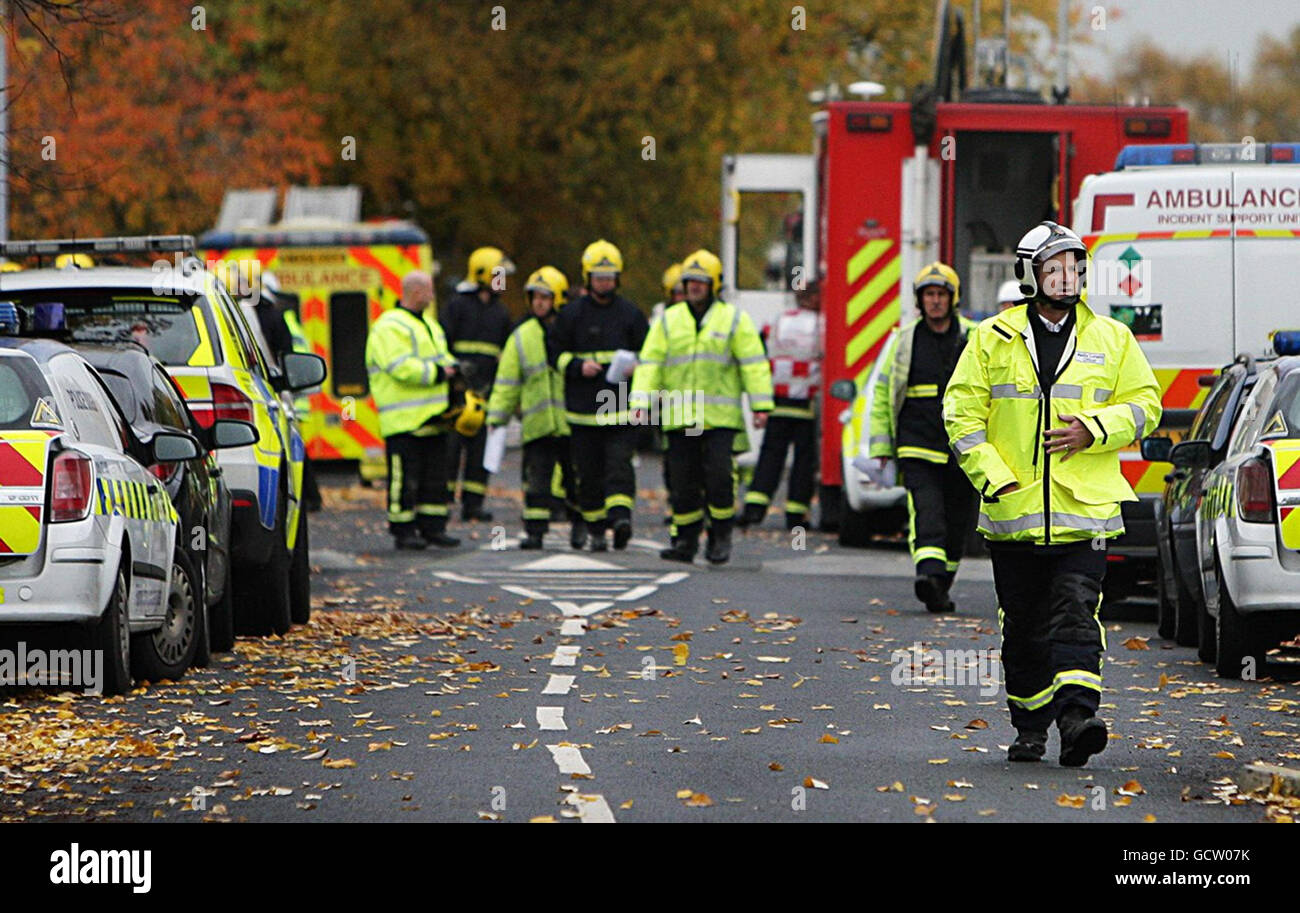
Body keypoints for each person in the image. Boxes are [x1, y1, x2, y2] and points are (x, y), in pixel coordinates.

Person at [944, 221, 1162, 767]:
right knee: (1023, 630)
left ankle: (1077, 719)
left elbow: (1145, 405)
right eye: (1054, 268)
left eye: (1074, 268)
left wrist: (1095, 428)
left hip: (1084, 515)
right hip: (1013, 515)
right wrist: (994, 477)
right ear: (1029, 275)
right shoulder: (990, 338)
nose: (1067, 278)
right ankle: (1030, 728)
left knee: (1075, 614)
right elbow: (961, 414)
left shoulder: (1112, 338)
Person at [632, 249, 773, 565]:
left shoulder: (734, 319)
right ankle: (685, 541)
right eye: (690, 281)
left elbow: (753, 364)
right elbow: (650, 364)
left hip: (719, 419)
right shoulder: (668, 321)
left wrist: (760, 404)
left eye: (701, 281)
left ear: (715, 285)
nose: (694, 286)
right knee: (682, 482)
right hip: (680, 417)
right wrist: (640, 401)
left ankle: (720, 536)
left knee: (720, 479)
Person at [869, 263, 977, 612]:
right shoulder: (903, 340)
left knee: (958, 521)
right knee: (927, 511)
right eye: (929, 295)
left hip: (963, 447)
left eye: (941, 295)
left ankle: (940, 585)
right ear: (920, 300)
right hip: (916, 442)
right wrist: (881, 446)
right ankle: (927, 573)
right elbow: (883, 393)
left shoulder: (975, 338)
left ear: (952, 299)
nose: (934, 302)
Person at [547, 239, 648, 551]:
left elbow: (649, 354)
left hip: (617, 406)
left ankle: (620, 519)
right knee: (587, 475)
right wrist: (577, 366)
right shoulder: (571, 314)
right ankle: (595, 529)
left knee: (619, 466)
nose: (605, 282)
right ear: (588, 278)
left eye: (609, 276)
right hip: (582, 409)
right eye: (599, 276)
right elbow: (554, 354)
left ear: (617, 278)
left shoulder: (631, 314)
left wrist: (637, 367)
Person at [365, 270, 461, 550]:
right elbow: (400, 367)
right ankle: (403, 530)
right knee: (404, 479)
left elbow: (442, 356)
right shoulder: (389, 326)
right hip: (403, 420)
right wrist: (439, 372)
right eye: (429, 290)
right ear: (416, 291)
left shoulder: (429, 325)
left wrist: (457, 368)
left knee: (435, 478)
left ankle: (434, 528)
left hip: (434, 417)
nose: (432, 296)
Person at [487, 266, 576, 550]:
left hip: (570, 421)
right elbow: (507, 380)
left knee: (576, 479)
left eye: (545, 297)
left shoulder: (571, 328)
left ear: (558, 298)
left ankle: (580, 527)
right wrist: (497, 415)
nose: (539, 302)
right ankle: (535, 531)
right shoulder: (521, 336)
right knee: (536, 480)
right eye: (535, 297)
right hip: (537, 424)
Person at [741, 277, 823, 530]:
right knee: (803, 461)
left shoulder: (780, 320)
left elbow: (763, 347)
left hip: (778, 400)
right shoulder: (821, 324)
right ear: (813, 298)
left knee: (770, 455)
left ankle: (754, 508)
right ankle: (796, 515)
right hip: (806, 404)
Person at [440, 246, 513, 522]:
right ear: (482, 274)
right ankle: (443, 501)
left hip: (486, 393)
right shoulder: (457, 306)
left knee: (480, 454)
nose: (502, 281)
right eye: (498, 275)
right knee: (449, 451)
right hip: (457, 393)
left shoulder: (500, 312)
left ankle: (474, 504)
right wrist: (456, 373)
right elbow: (443, 344)